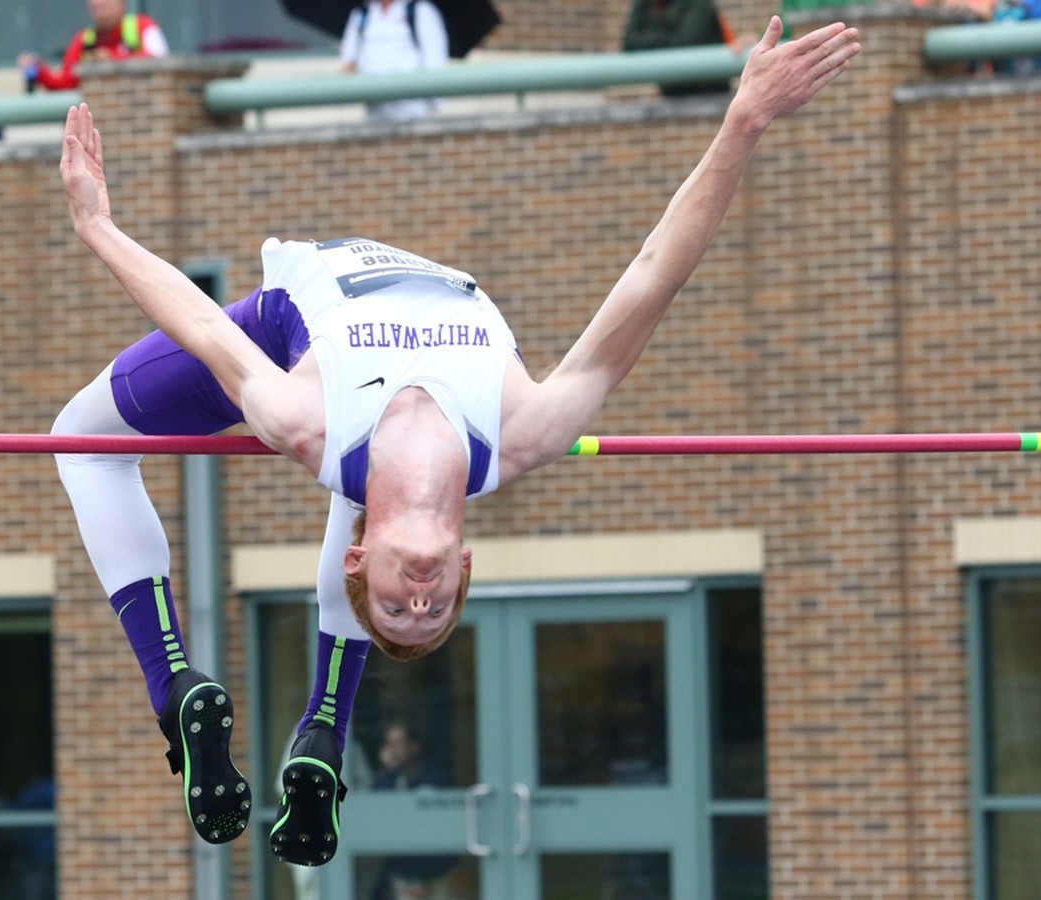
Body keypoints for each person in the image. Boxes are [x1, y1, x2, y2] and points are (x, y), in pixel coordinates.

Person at [51, 14, 859, 860]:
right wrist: (742, 123)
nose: (420, 599)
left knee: (81, 436)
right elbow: (654, 276)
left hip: (290, 321)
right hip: (414, 316)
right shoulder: (525, 431)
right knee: (359, 486)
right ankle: (323, 729)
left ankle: (174, 682)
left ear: (361, 560)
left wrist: (99, 228)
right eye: (434, 610)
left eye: (397, 607)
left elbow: (202, 325)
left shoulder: (306, 421)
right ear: (464, 564)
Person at [371, 722, 457, 899]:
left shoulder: (434, 775)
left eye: (399, 743)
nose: (394, 750)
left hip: (437, 868)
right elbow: (375, 808)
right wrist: (389, 771)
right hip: (403, 870)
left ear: (414, 746)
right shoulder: (388, 778)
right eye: (389, 743)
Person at [17, 0, 169, 93]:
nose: (102, 14)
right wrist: (38, 70)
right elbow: (65, 82)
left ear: (122, 4)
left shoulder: (143, 26)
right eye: (96, 8)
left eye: (106, 6)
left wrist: (113, 60)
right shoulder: (84, 39)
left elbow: (163, 63)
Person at [339, 0, 450, 121]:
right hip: (374, 114)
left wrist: (434, 105)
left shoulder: (420, 10)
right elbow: (349, 62)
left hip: (414, 113)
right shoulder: (361, 14)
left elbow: (435, 62)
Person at [620, 0, 740, 98]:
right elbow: (629, 43)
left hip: (710, 96)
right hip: (671, 96)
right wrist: (666, 36)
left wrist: (651, 38)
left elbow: (686, 41)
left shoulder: (699, 3)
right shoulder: (645, 3)